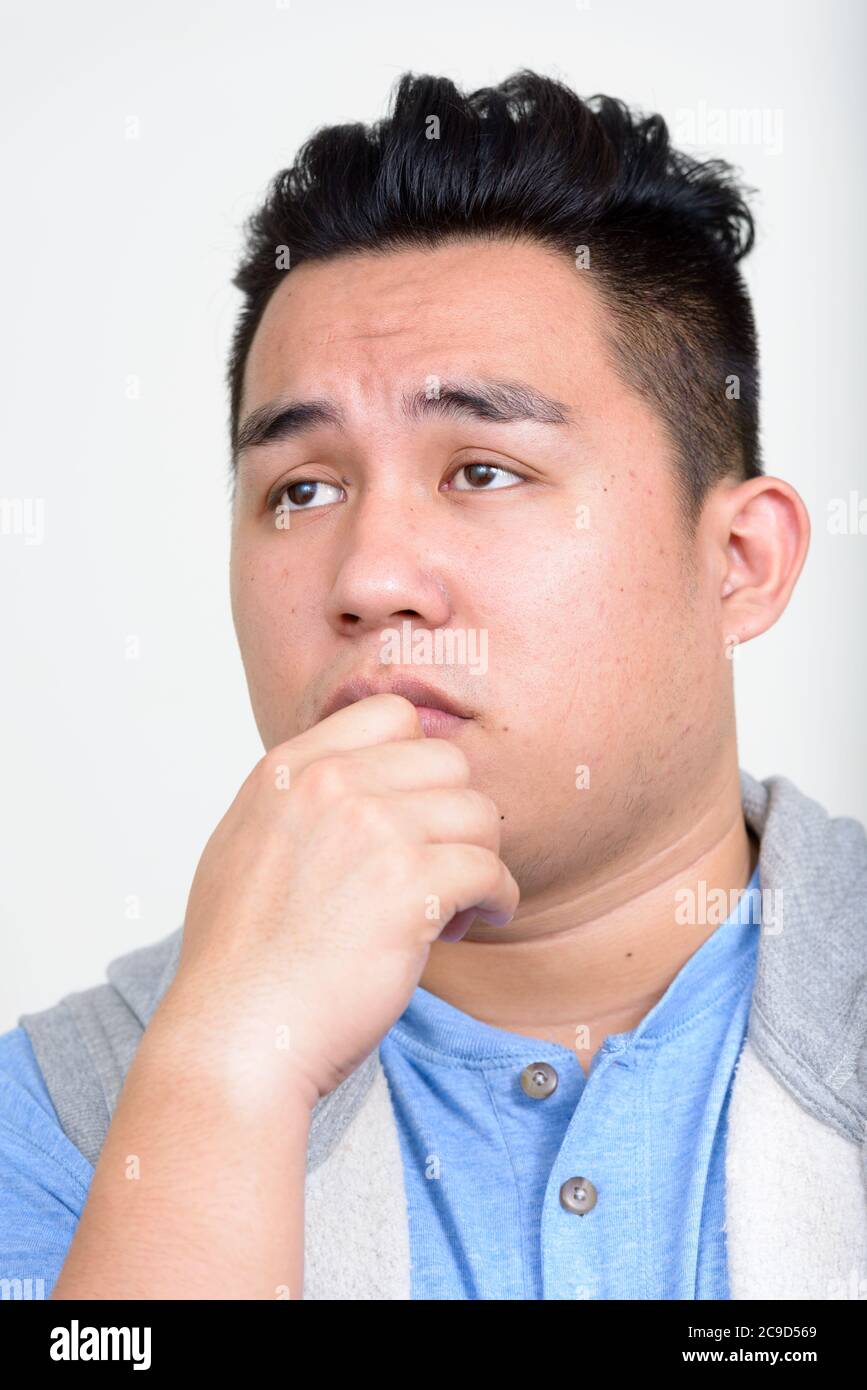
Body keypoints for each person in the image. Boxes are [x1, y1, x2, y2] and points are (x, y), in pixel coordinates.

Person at [2, 69, 865, 1302]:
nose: (370, 577)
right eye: (302, 489)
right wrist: (221, 1075)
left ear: (738, 564)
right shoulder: (65, 1112)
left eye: (483, 470)